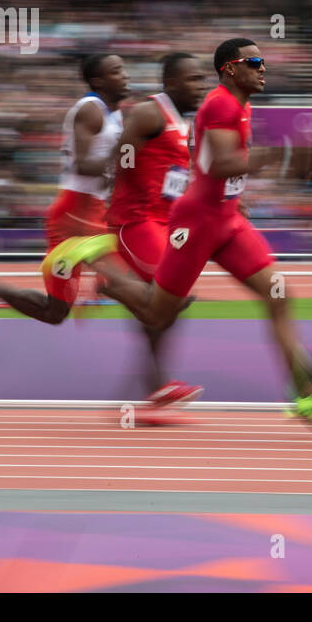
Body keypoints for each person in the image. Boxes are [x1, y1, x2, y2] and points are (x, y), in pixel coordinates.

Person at [57, 38, 312, 422]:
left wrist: (234, 196)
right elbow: (221, 164)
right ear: (231, 68)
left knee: (278, 295)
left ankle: (307, 396)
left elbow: (203, 163)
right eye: (254, 61)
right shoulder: (218, 104)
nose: (263, 67)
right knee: (157, 312)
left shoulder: (239, 106)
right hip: (196, 225)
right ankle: (98, 266)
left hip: (227, 221)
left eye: (263, 61)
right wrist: (278, 155)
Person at [0, 53, 128, 322]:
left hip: (90, 210)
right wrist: (119, 157)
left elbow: (111, 169)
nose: (126, 75)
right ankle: (114, 291)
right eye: (117, 71)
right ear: (99, 80)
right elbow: (84, 166)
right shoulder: (90, 109)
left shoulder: (116, 115)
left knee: (54, 312)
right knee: (126, 279)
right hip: (76, 215)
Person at [102, 52, 208, 421]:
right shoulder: (150, 113)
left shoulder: (183, 124)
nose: (201, 86)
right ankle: (111, 284)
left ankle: (157, 384)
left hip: (164, 223)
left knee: (163, 306)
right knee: (170, 295)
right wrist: (128, 184)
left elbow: (175, 176)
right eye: (194, 79)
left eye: (202, 79)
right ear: (172, 83)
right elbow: (122, 155)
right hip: (136, 220)